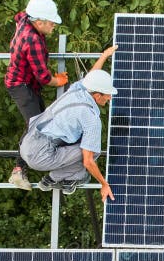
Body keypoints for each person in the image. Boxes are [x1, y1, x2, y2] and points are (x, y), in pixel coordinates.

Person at [19, 45, 118, 202]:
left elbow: (91, 76)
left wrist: (104, 56)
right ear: (97, 95)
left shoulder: (78, 90)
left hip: (28, 141)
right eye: (107, 95)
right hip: (40, 155)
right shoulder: (91, 118)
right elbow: (88, 161)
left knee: (84, 143)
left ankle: (53, 178)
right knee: (93, 151)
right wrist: (104, 184)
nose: (110, 98)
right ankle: (65, 177)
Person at [5, 0, 69, 191]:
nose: (54, 26)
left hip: (26, 84)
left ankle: (26, 164)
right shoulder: (33, 41)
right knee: (35, 127)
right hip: (21, 85)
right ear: (39, 22)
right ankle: (18, 171)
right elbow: (43, 76)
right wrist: (59, 80)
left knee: (41, 122)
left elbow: (19, 16)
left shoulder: (26, 19)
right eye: (51, 23)